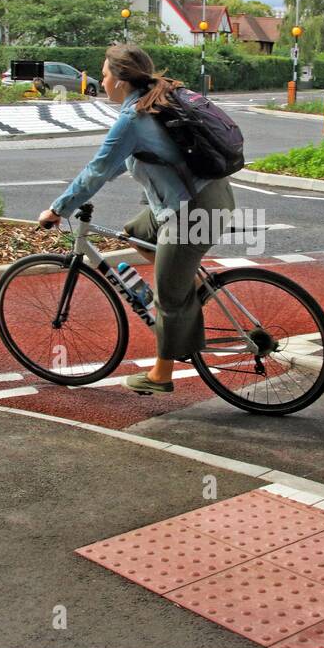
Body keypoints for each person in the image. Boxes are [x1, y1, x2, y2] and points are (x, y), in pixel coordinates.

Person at [38, 43, 235, 394]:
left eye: (103, 74)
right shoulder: (160, 96)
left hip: (193, 212)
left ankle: (161, 374)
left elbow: (97, 171)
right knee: (134, 234)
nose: (100, 79)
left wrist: (58, 209)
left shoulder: (133, 119)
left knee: (168, 299)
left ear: (121, 79)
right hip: (204, 198)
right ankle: (186, 285)